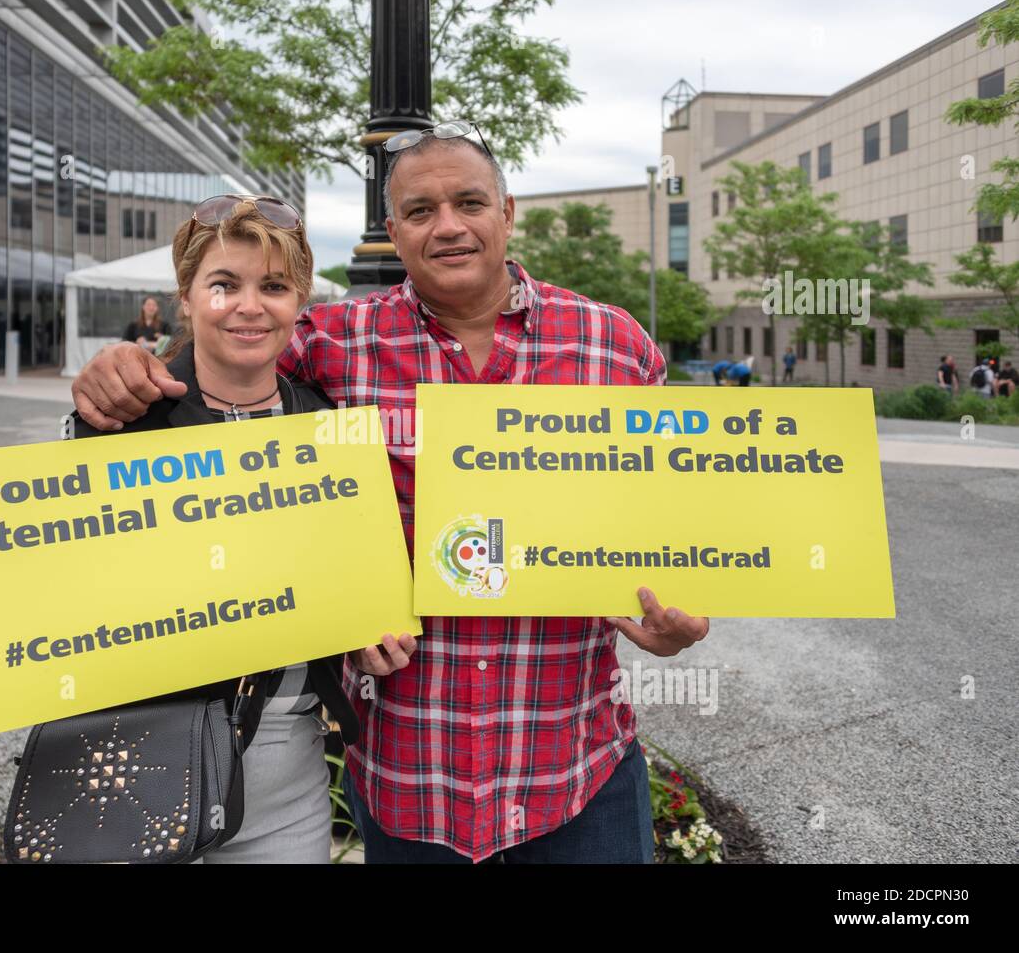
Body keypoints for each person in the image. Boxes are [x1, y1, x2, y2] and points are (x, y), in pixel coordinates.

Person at [70, 121, 711, 864]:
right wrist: (128, 367)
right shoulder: (331, 342)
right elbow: (229, 355)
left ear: (507, 213)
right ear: (394, 232)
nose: (447, 226)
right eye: (418, 211)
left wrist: (678, 612)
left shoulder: (616, 345)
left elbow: (668, 521)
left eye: (469, 203)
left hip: (575, 773)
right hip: (410, 783)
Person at [0, 196, 417, 864]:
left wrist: (365, 637)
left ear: (299, 300)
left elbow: (334, 590)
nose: (249, 305)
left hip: (288, 786)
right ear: (185, 299)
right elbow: (6, 571)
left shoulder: (330, 430)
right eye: (223, 284)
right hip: (125, 764)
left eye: (273, 286)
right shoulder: (115, 426)